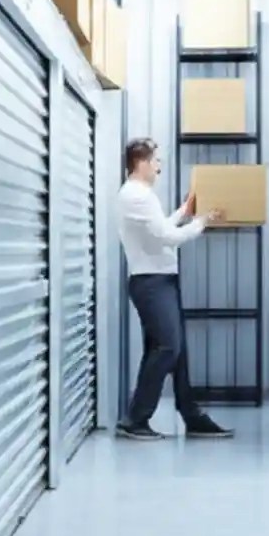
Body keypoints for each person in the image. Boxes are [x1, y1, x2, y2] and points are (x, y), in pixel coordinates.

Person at [115, 137, 234, 440]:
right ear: (141, 162)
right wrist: (202, 222)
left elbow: (159, 230)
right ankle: (136, 418)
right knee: (168, 348)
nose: (159, 167)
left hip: (160, 281)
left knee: (174, 352)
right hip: (152, 284)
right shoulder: (137, 196)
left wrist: (185, 210)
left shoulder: (141, 195)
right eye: (156, 161)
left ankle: (191, 416)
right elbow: (168, 238)